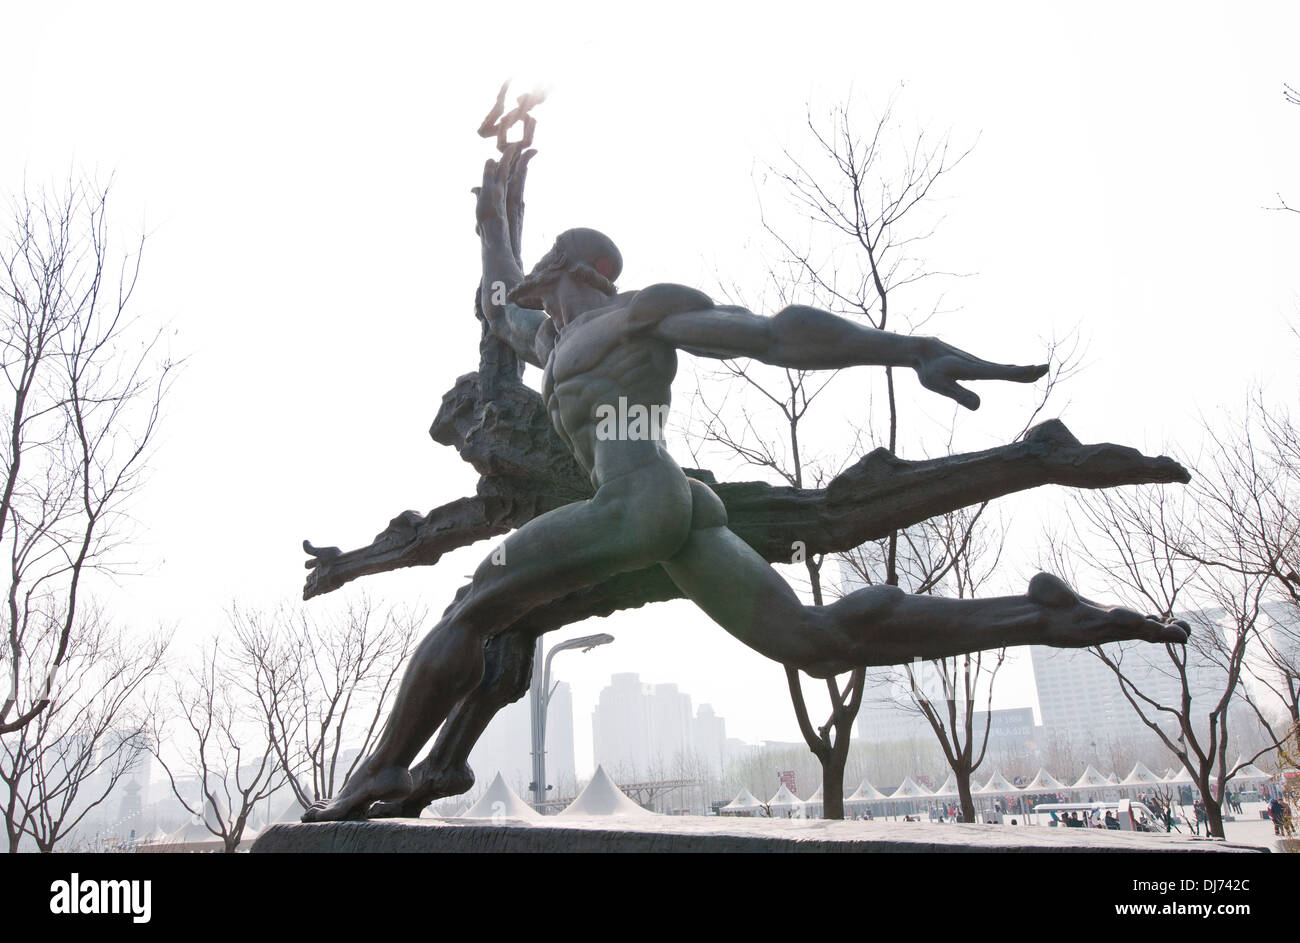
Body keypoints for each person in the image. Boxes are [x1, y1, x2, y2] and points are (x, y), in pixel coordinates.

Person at [302, 144, 1195, 823]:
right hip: (680, 511)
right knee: (816, 640)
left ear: (567, 271)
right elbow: (496, 298)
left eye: (539, 272)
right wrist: (496, 209)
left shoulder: (632, 313)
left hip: (636, 498)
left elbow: (771, 333)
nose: (525, 288)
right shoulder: (554, 342)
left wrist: (905, 349)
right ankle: (1040, 612)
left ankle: (385, 767)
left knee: (472, 608)